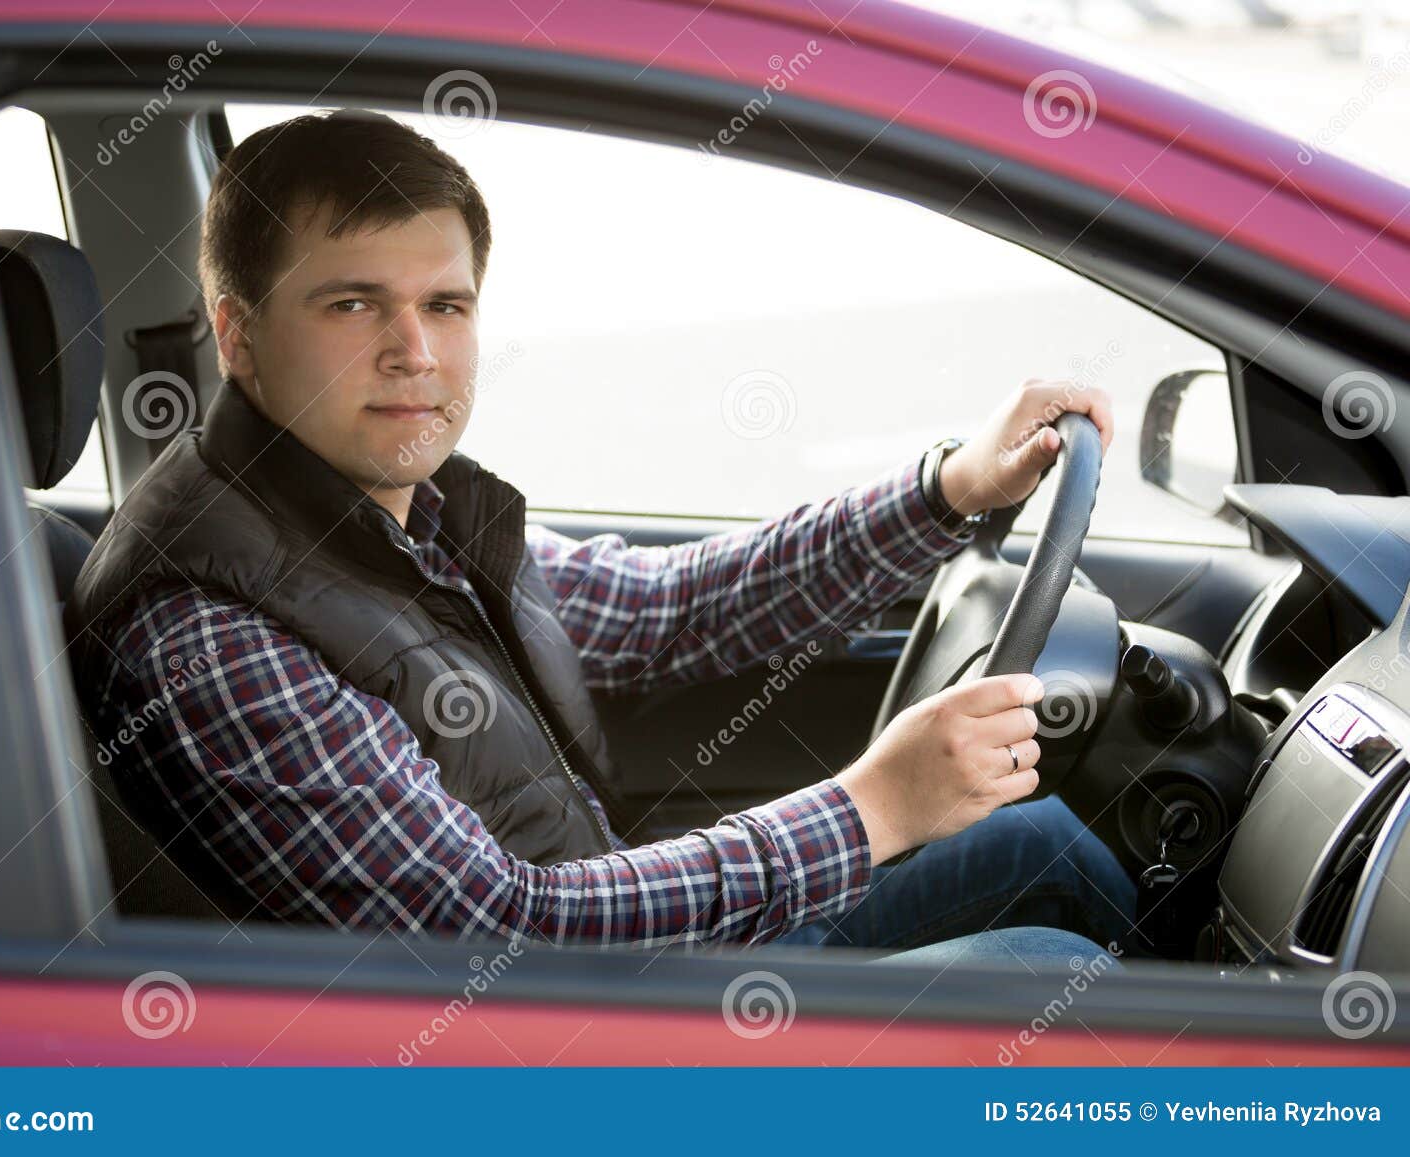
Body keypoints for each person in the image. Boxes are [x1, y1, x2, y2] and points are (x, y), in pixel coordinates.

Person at [66, 110, 1134, 969]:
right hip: (562, 1055)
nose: (415, 351)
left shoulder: (402, 512)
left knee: (1041, 843)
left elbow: (670, 609)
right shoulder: (208, 623)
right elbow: (498, 937)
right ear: (239, 333)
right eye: (353, 304)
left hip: (640, 970)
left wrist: (947, 491)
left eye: (446, 305)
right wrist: (874, 806)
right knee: (1044, 968)